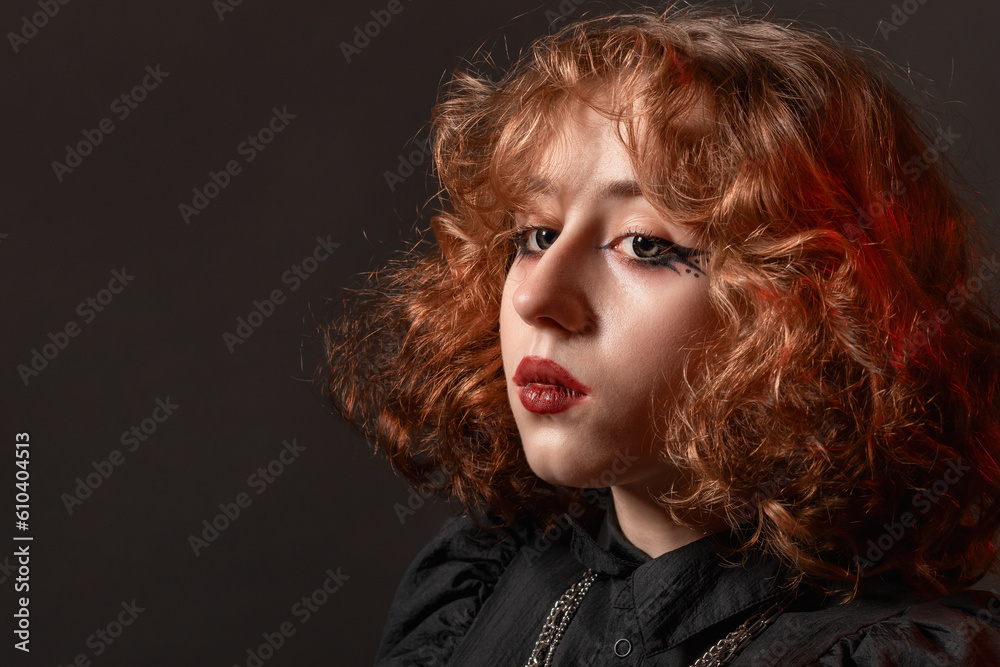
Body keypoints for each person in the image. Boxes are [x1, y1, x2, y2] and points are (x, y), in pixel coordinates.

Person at [323, 5, 1000, 665]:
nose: (535, 295)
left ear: (811, 306)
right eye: (537, 234)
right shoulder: (478, 579)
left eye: (645, 243)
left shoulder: (892, 651)